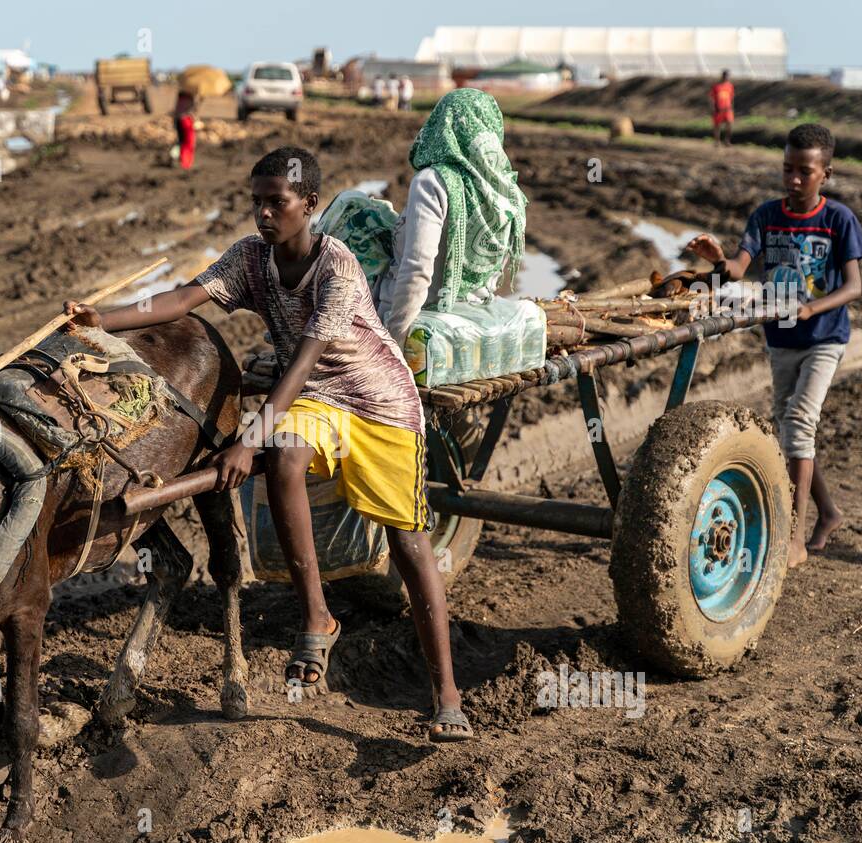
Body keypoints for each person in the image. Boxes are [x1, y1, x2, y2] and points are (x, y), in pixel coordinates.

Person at [62, 146, 474, 742]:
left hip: (379, 400)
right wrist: (103, 319)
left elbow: (305, 360)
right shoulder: (251, 260)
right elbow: (180, 299)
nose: (263, 214)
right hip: (316, 398)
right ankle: (317, 618)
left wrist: (244, 440)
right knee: (283, 458)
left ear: (309, 205)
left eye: (276, 203)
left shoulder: (337, 268)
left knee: (408, 542)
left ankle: (447, 695)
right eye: (256, 201)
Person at [685, 124, 862, 567]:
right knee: (792, 430)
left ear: (825, 173)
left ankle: (794, 537)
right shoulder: (766, 216)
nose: (793, 179)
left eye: (804, 171)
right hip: (780, 339)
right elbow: (738, 267)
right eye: (787, 169)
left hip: (823, 337)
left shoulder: (837, 220)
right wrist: (718, 261)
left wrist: (813, 308)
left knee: (799, 423)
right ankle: (829, 513)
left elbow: (854, 287)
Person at [375, 87, 528, 345]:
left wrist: (394, 342)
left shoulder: (432, 181)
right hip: (472, 324)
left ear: (441, 125)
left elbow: (417, 269)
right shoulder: (504, 188)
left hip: (421, 326)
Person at [173, 91, 197, 171]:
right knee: (188, 143)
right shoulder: (189, 98)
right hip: (186, 121)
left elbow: (176, 111)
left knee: (181, 141)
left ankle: (174, 156)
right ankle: (185, 162)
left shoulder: (180, 97)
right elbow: (191, 110)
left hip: (179, 120)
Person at [711, 70, 734, 146]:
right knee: (717, 126)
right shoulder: (716, 86)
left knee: (729, 124)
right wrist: (713, 108)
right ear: (722, 76)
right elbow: (712, 98)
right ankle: (717, 141)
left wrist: (731, 107)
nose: (726, 77)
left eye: (728, 76)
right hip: (718, 109)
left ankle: (727, 141)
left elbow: (731, 97)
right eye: (725, 76)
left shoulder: (730, 86)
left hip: (727, 109)